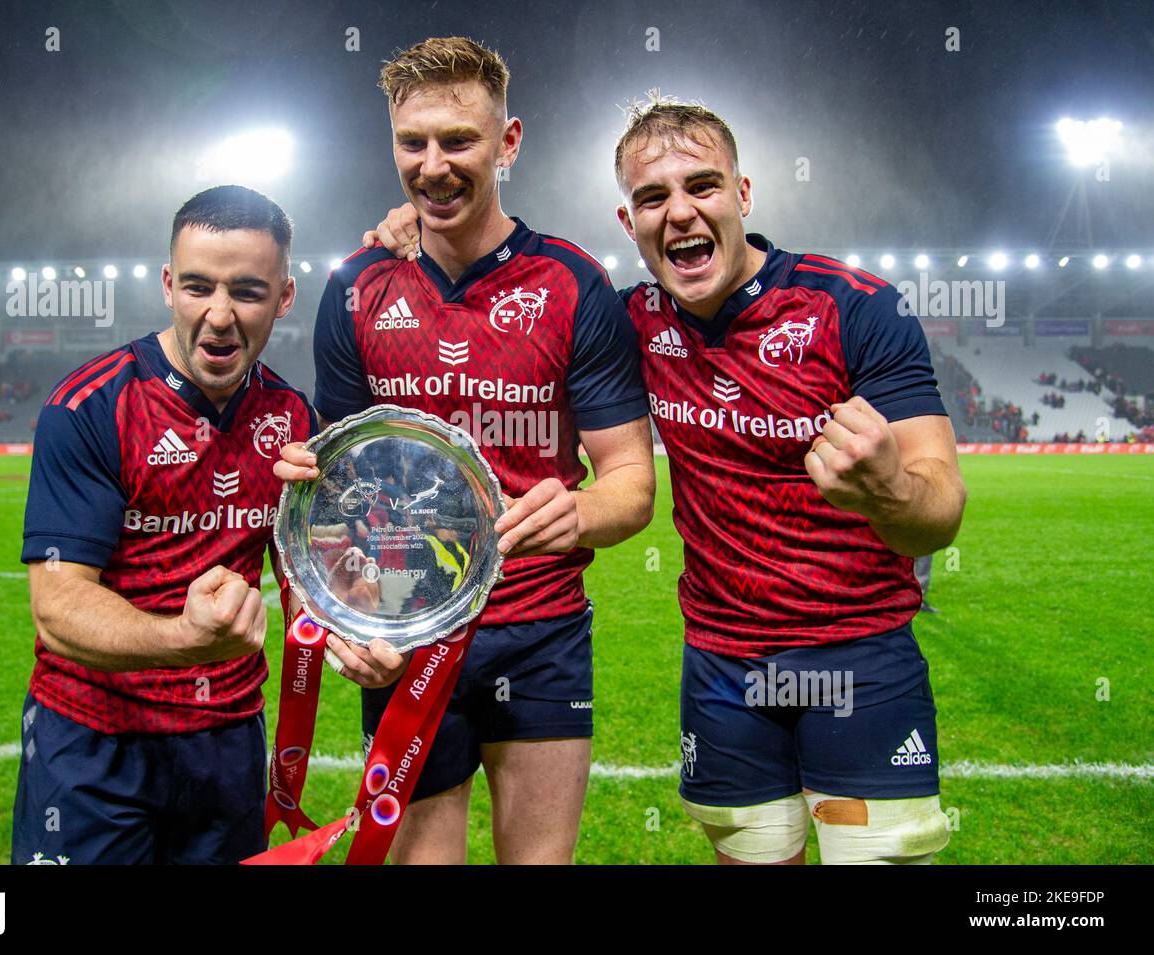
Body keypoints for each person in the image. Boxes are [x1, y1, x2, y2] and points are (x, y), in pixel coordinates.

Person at [367, 94, 966, 865]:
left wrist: (888, 486)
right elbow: (514, 309)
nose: (679, 212)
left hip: (858, 654)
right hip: (722, 663)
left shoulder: (852, 308)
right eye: (652, 197)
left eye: (702, 186)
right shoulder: (631, 320)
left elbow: (939, 510)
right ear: (629, 223)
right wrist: (424, 228)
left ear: (742, 196)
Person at [276, 36, 655, 864]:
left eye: (459, 140)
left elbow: (632, 484)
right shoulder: (357, 286)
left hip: (539, 628)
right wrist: (344, 604)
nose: (433, 164)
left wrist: (581, 510)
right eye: (412, 142)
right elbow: (337, 485)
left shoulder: (572, 285)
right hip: (406, 625)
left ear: (508, 142)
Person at [13, 185, 315, 864]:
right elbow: (57, 607)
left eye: (247, 290)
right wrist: (181, 639)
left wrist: (366, 632)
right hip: (96, 742)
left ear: (285, 297)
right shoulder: (91, 407)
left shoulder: (294, 421)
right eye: (198, 286)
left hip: (227, 743)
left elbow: (318, 579)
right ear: (167, 284)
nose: (218, 315)